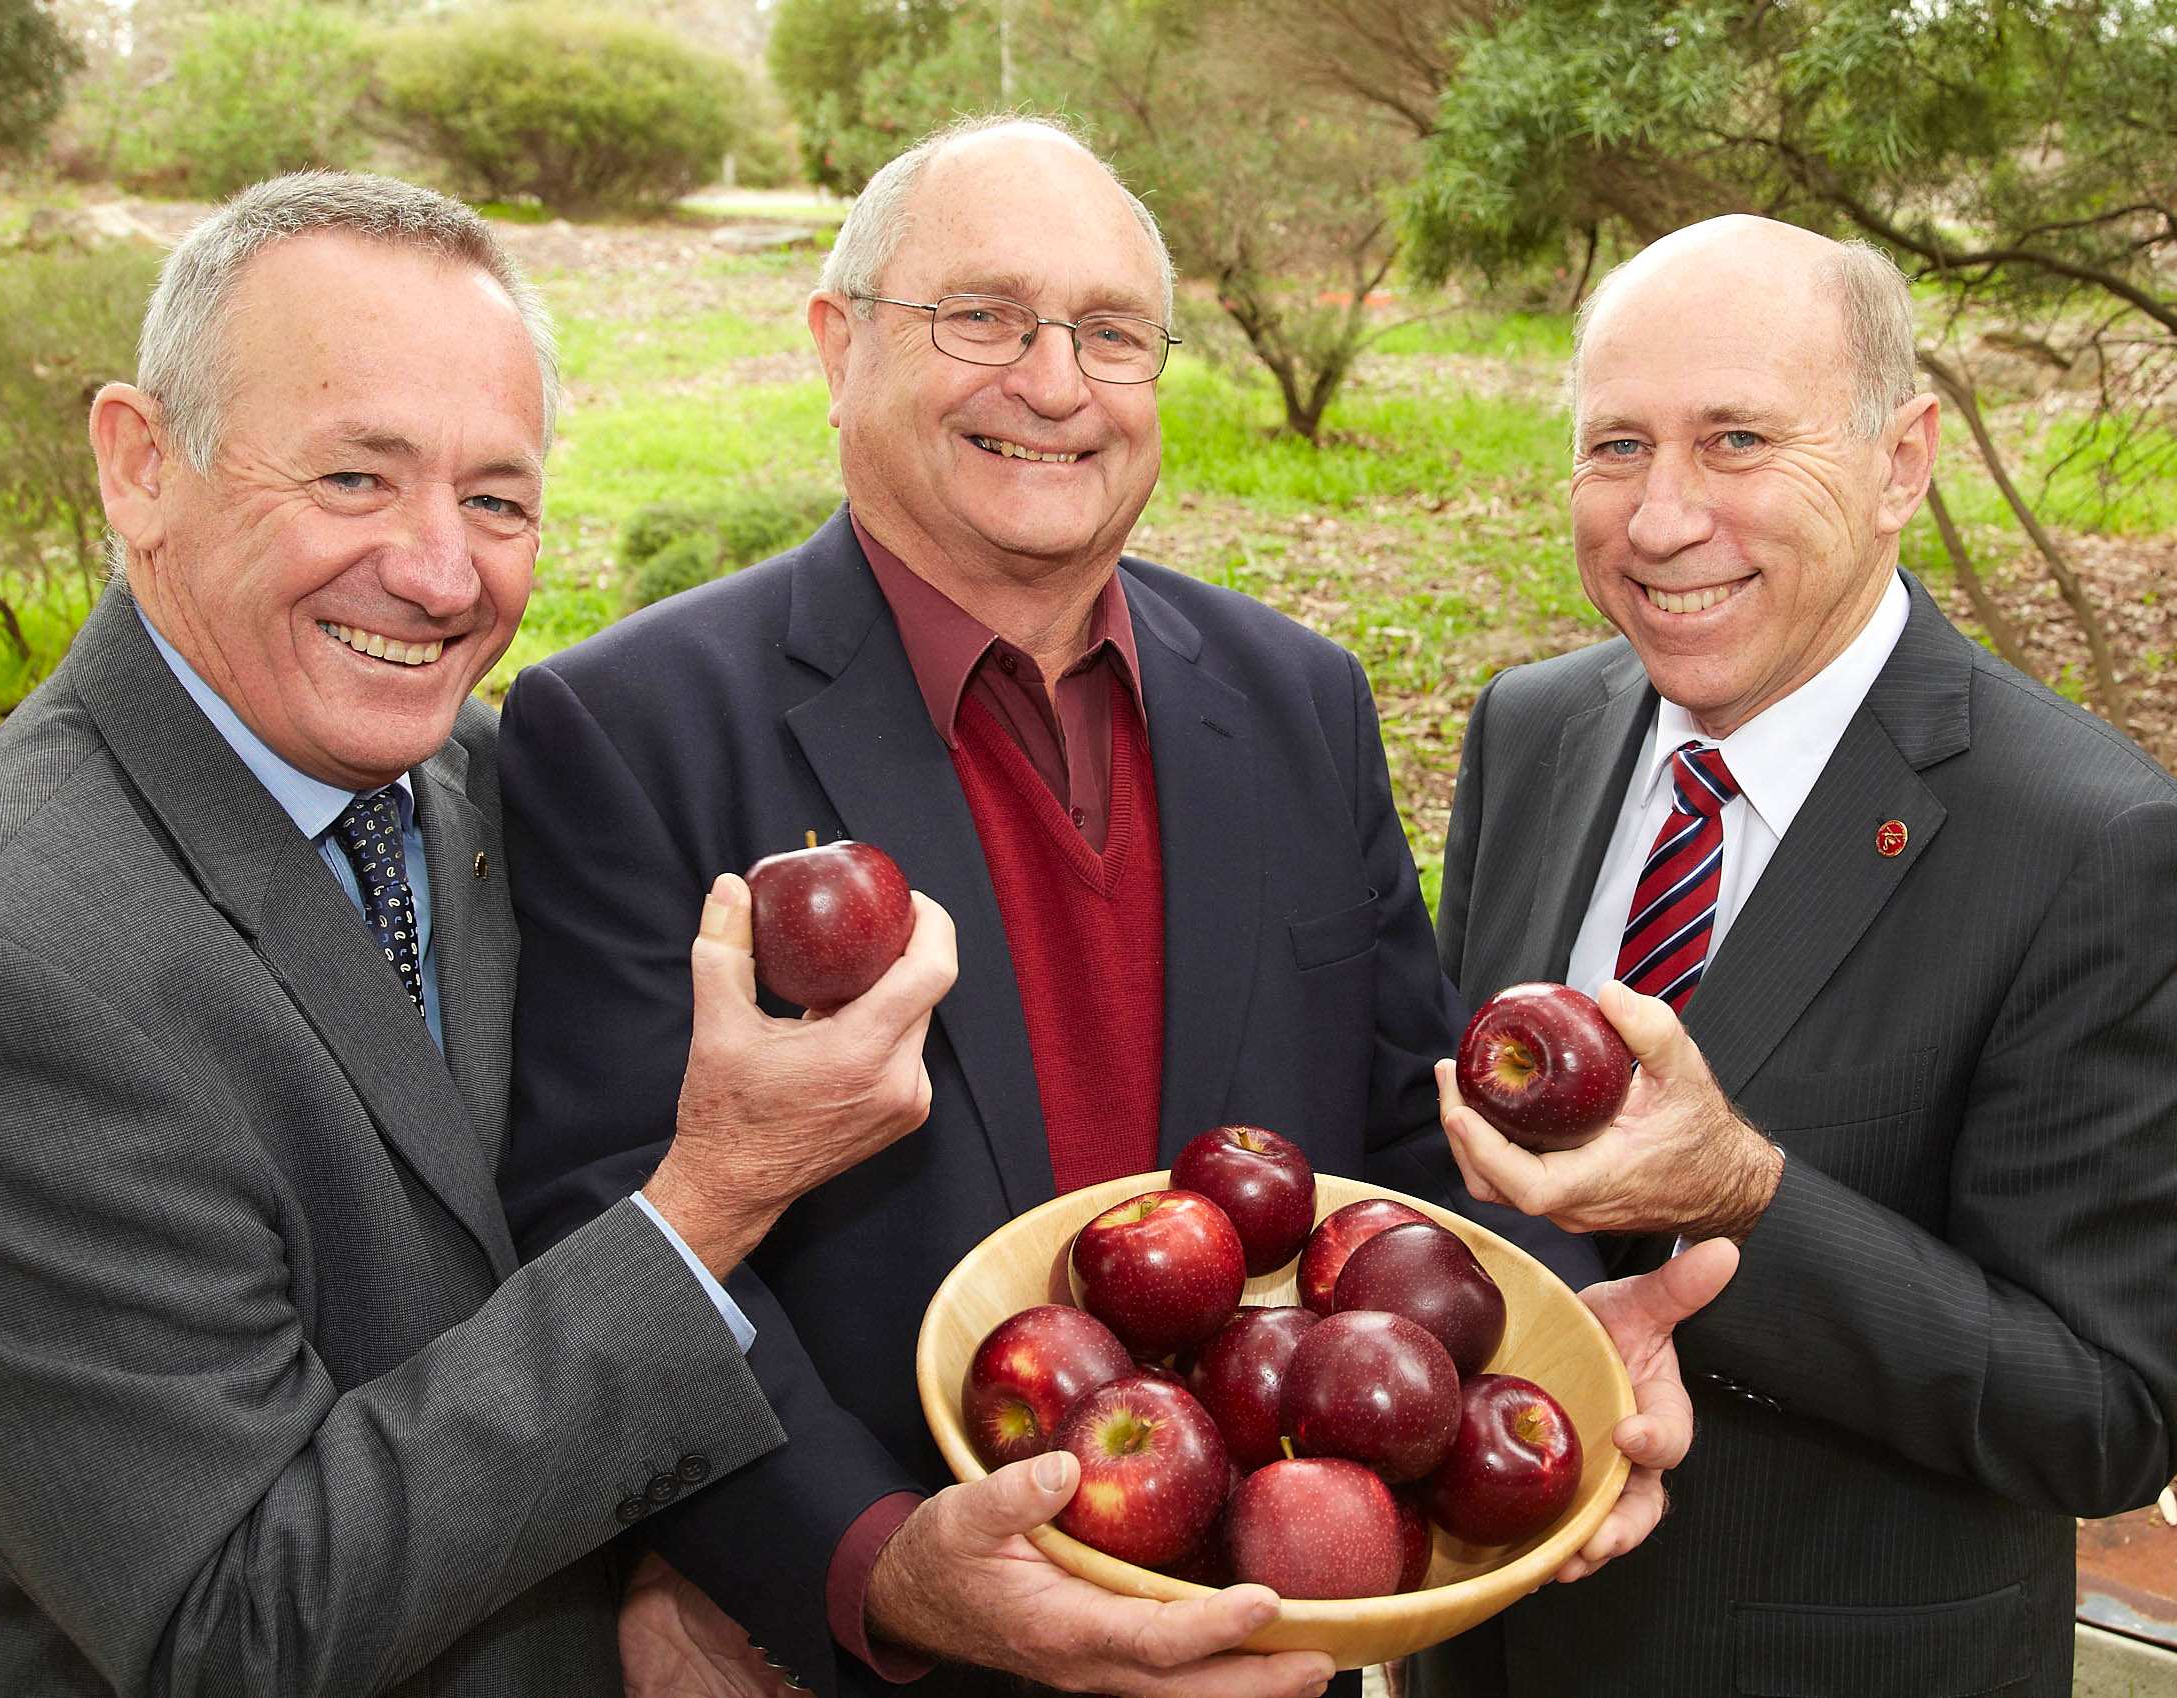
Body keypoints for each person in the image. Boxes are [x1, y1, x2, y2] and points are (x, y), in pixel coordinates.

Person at [497, 116, 1736, 1698]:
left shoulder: (1299, 700)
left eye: (1110, 332)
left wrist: (1554, 1321)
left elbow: (1401, 1145)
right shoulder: (633, 726)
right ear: (835, 343)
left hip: (1267, 1625)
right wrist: (866, 1561)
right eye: (986, 318)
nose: (1056, 381)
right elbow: (612, 1217)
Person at [0, 171, 959, 1697]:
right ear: (138, 464)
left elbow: (510, 1277)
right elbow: (236, 1628)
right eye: (354, 480)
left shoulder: (478, 782)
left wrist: (665, 1562)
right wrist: (711, 1196)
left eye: (496, 497)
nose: (442, 574)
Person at [1417, 215, 2177, 1696]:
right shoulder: (1533, 730)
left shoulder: (2089, 842)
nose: (1659, 518)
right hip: (1483, 1640)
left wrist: (1743, 1198)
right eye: (1616, 445)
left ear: (1903, 461)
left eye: (1739, 439)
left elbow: (2106, 1411)